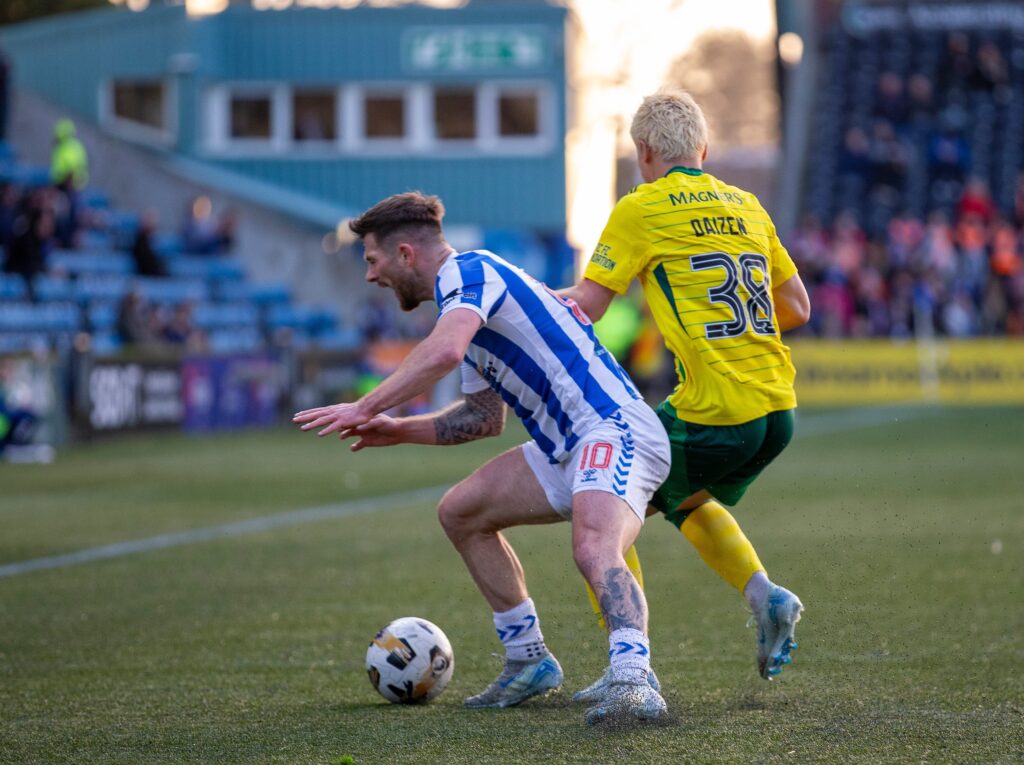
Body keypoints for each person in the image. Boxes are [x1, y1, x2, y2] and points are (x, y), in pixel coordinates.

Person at [293, 192, 672, 725]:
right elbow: (481, 419)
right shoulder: (465, 309)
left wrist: (364, 405)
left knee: (593, 547)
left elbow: (443, 352)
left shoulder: (471, 271)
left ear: (406, 254)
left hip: (613, 426)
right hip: (564, 447)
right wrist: (396, 430)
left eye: (372, 261)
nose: (369, 276)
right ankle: (528, 659)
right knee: (461, 511)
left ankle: (634, 682)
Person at [560, 90, 812, 689]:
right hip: (777, 410)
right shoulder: (747, 205)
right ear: (705, 148)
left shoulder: (642, 207)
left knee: (601, 511)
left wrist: (511, 301)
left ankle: (629, 664)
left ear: (644, 153)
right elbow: (798, 307)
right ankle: (764, 596)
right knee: (681, 495)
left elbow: (586, 307)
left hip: (717, 409)